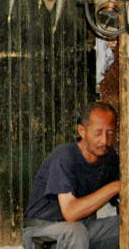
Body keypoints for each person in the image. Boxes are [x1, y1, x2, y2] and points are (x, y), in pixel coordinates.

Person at [22, 101, 120, 249]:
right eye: (98, 133)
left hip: (80, 228)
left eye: (110, 133)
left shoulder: (109, 157)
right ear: (82, 131)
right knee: (75, 231)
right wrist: (115, 187)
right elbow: (71, 213)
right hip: (42, 232)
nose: (104, 140)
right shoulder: (64, 156)